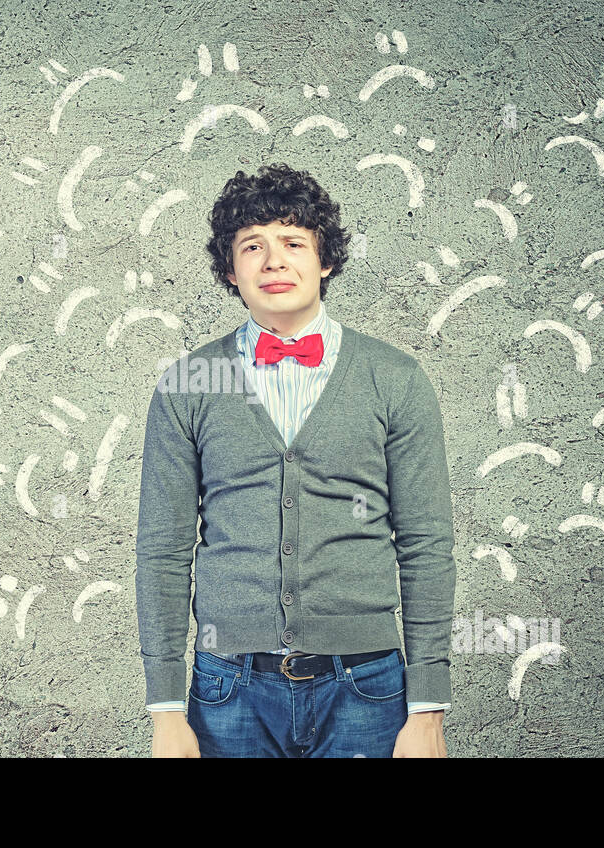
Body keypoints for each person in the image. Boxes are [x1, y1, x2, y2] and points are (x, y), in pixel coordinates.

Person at [135, 162, 457, 757]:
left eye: (292, 242)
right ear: (231, 271)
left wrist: (428, 706)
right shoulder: (188, 384)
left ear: (325, 259)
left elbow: (426, 543)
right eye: (252, 246)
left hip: (368, 685)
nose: (273, 261)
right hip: (226, 686)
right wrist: (165, 708)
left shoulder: (395, 378)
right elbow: (163, 548)